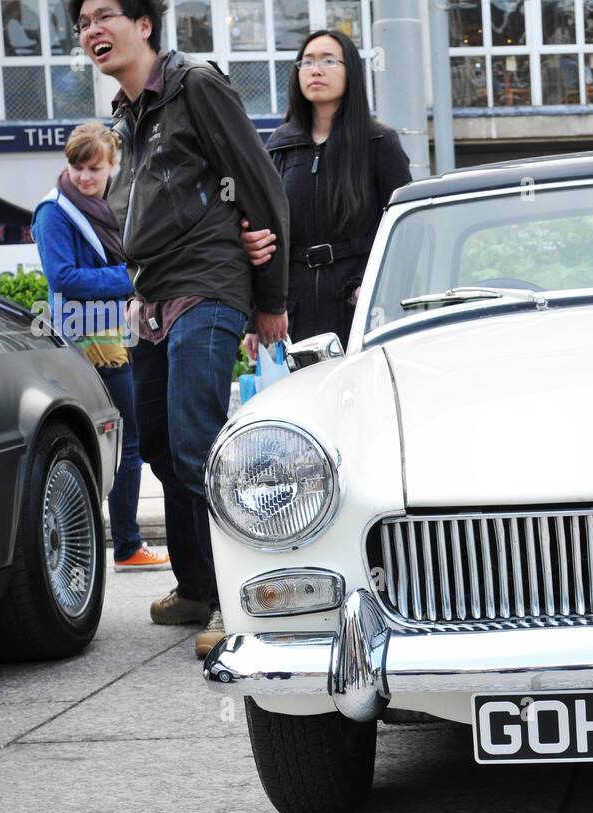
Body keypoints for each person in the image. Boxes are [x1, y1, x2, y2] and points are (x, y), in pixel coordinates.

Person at [71, 0, 289, 658]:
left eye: (105, 14)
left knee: (198, 445)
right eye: (82, 23)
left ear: (144, 23)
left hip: (210, 286)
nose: (92, 31)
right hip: (154, 299)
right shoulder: (125, 115)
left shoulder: (195, 85)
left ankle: (236, 601)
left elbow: (260, 183)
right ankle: (195, 585)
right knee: (162, 446)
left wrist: (270, 300)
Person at [31, 121, 171, 574]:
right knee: (121, 445)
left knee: (123, 443)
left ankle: (122, 544)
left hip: (121, 337)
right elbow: (64, 279)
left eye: (94, 168)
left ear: (113, 166)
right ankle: (126, 545)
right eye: (77, 167)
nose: (84, 177)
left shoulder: (112, 204)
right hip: (89, 343)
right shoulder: (55, 212)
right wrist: (133, 277)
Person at [240, 28, 411, 353]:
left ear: (352, 72)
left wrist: (376, 287)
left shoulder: (378, 143)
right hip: (293, 311)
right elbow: (264, 234)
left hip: (359, 305)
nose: (315, 69)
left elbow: (403, 227)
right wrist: (256, 314)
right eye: (306, 62)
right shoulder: (280, 146)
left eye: (329, 60)